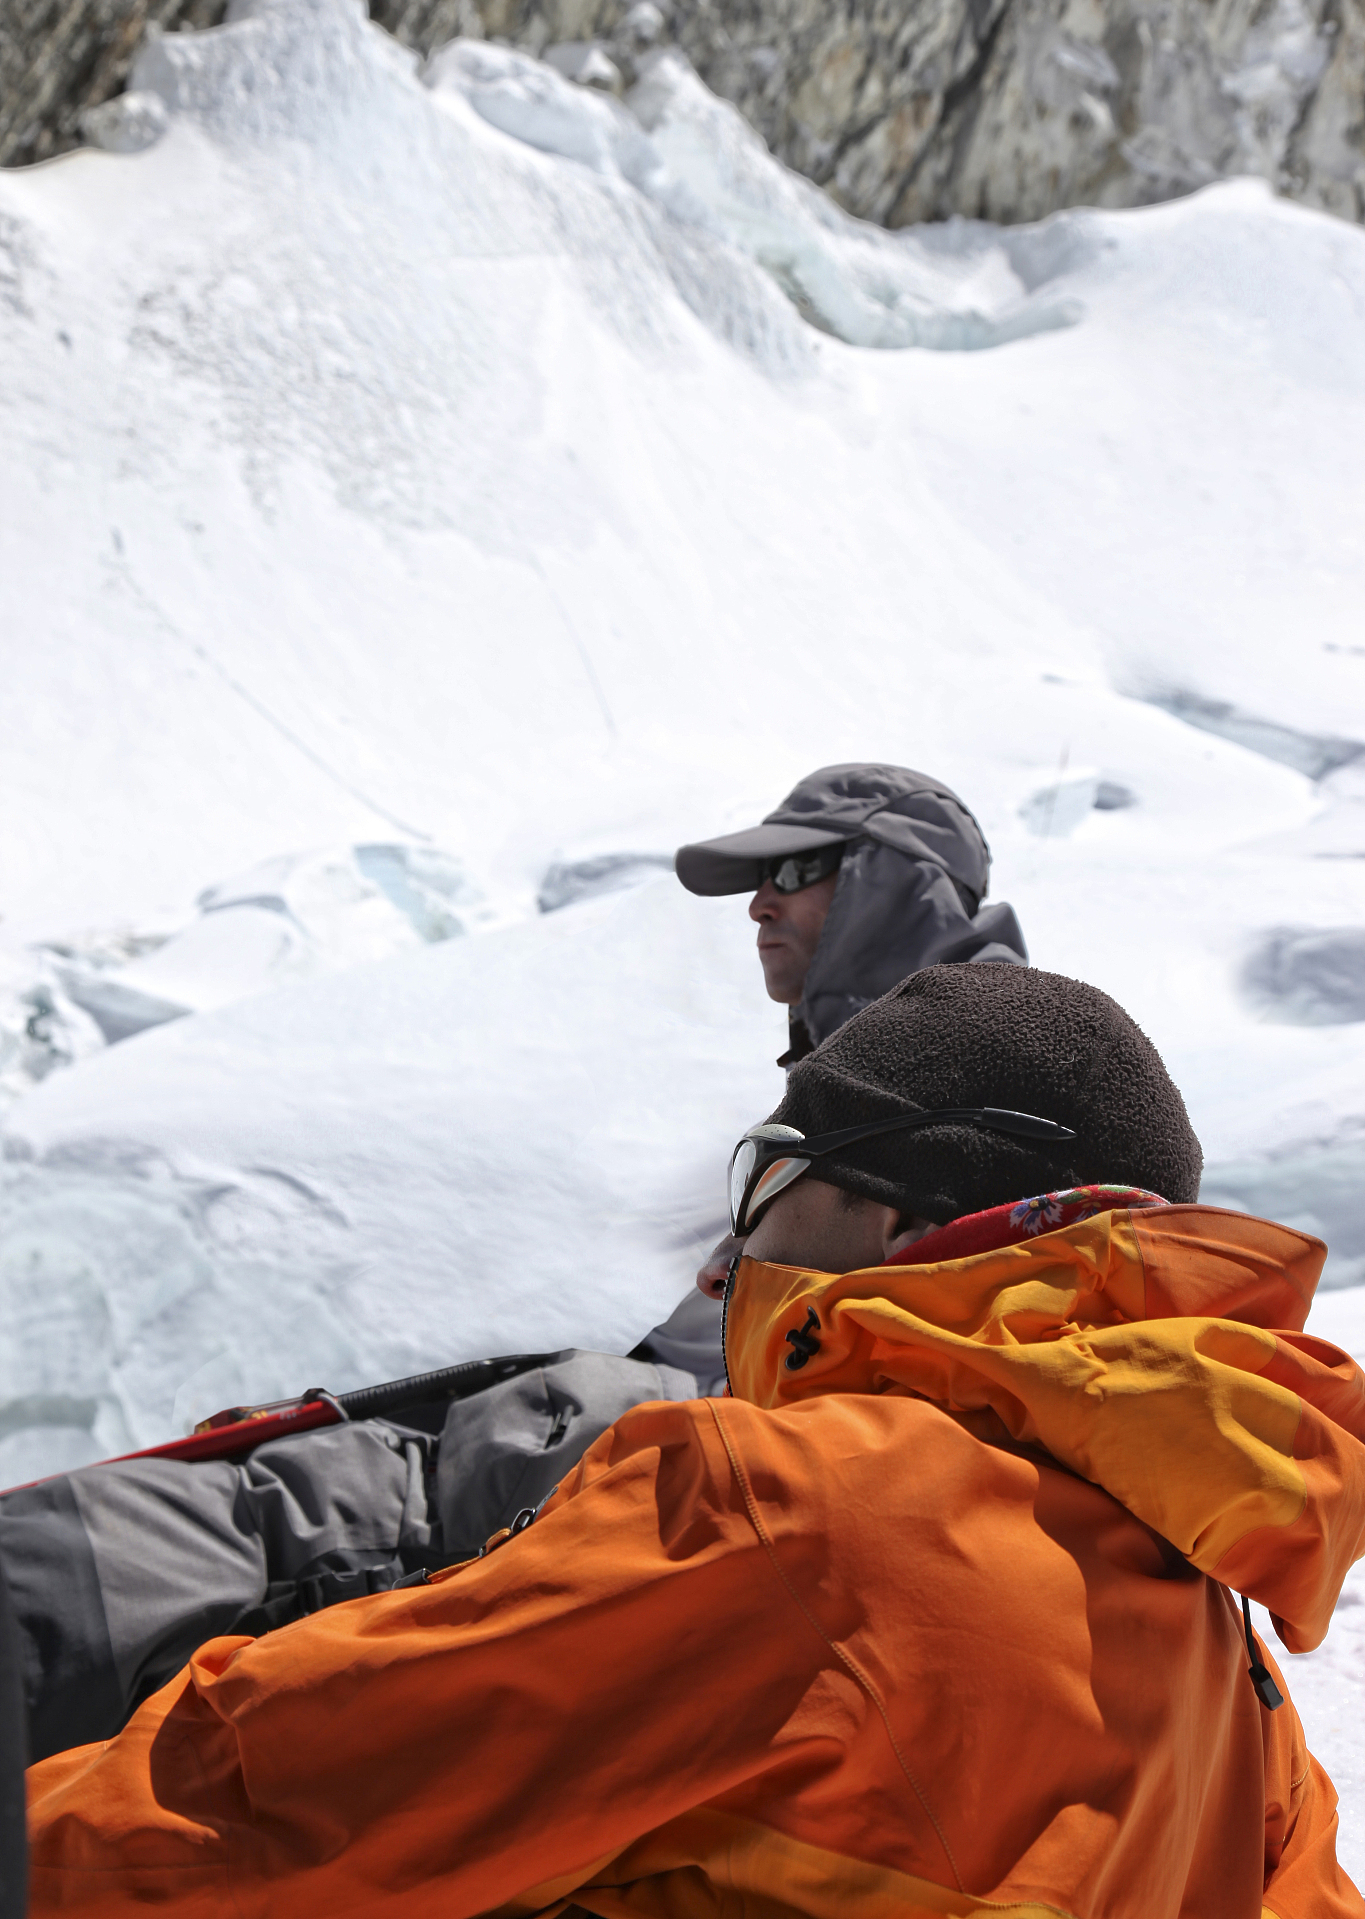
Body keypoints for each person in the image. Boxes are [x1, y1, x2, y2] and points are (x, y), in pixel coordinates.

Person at [25, 963, 1365, 1916]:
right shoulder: (1225, 1672)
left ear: (904, 1221)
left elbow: (266, 1810)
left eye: (770, 1181)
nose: (731, 1258)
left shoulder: (796, 1512)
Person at [675, 761, 1027, 1062]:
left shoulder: (1016, 1071)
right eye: (762, 875)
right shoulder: (848, 1088)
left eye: (796, 867)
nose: (757, 907)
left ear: (895, 882)